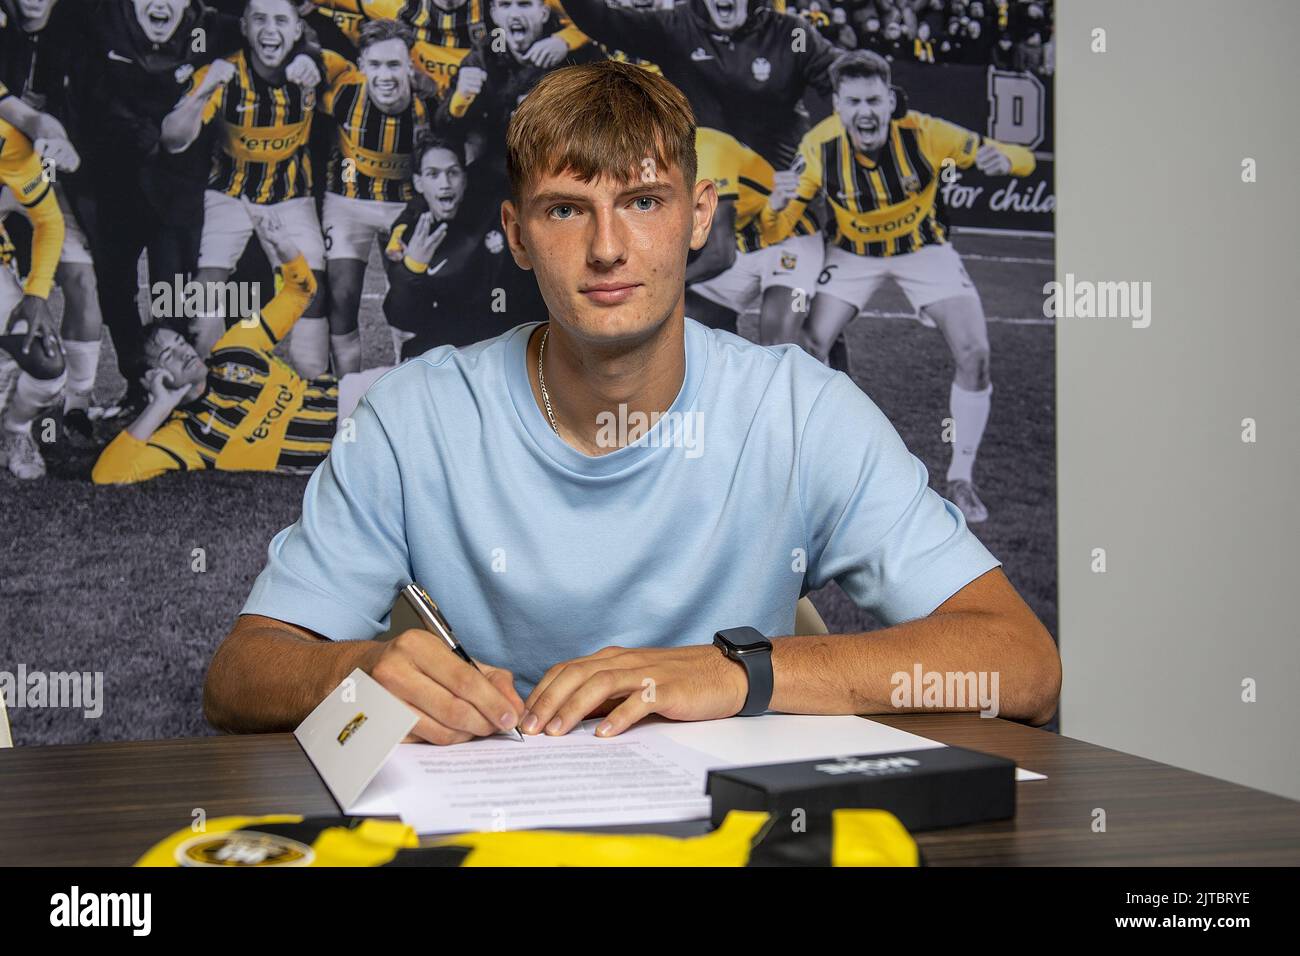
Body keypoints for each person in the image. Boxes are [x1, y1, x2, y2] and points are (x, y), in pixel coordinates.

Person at [204, 60, 1059, 743]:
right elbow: (241, 674)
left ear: (698, 216)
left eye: (643, 202)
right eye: (568, 210)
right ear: (515, 235)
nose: (608, 248)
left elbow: (1020, 663)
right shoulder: (413, 416)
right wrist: (348, 671)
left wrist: (737, 672)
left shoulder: (799, 410)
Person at [759, 50, 1036, 523]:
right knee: (808, 345)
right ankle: (817, 462)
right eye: (853, 101)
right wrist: (777, 203)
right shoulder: (819, 146)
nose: (864, 111)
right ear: (838, 107)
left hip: (924, 251)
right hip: (854, 255)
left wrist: (1006, 159)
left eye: (873, 99)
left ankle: (961, 479)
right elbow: (777, 223)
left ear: (890, 100)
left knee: (976, 351)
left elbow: (1025, 160)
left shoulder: (927, 133)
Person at [91, 207, 337, 484]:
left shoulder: (235, 344)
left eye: (181, 343)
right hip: (347, 449)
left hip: (353, 397)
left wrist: (286, 248)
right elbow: (107, 475)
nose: (184, 352)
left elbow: (299, 293)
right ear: (152, 379)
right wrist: (160, 406)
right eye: (168, 355)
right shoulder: (186, 437)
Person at [158, 0, 330, 372]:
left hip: (291, 196)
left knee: (311, 285)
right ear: (245, 27)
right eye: (260, 20)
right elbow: (173, 139)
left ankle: (314, 386)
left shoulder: (315, 69)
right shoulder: (223, 72)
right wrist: (204, 91)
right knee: (208, 287)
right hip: (228, 193)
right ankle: (206, 387)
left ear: (298, 30)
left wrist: (315, 61)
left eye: (281, 20)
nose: (270, 29)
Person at [319, 17, 431, 375]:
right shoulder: (344, 93)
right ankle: (345, 387)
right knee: (342, 293)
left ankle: (408, 378)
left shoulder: (428, 105)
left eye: (394, 64)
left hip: (405, 205)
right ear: (362, 64)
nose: (385, 75)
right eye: (376, 64)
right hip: (348, 202)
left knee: (407, 295)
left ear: (409, 66)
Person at [382, 131, 545, 358]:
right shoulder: (412, 236)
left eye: (453, 173)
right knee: (416, 355)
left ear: (465, 177)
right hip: (461, 334)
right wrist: (412, 269)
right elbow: (404, 319)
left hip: (522, 329)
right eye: (433, 174)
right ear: (418, 183)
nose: (445, 183)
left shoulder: (494, 199)